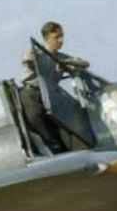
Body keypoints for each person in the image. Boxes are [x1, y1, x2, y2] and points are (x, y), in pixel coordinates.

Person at [19, 21, 89, 154]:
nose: (61, 40)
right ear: (46, 38)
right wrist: (31, 59)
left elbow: (85, 63)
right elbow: (26, 58)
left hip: (50, 95)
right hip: (32, 94)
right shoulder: (37, 52)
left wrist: (64, 62)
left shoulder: (60, 57)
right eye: (57, 37)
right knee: (38, 124)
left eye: (62, 36)